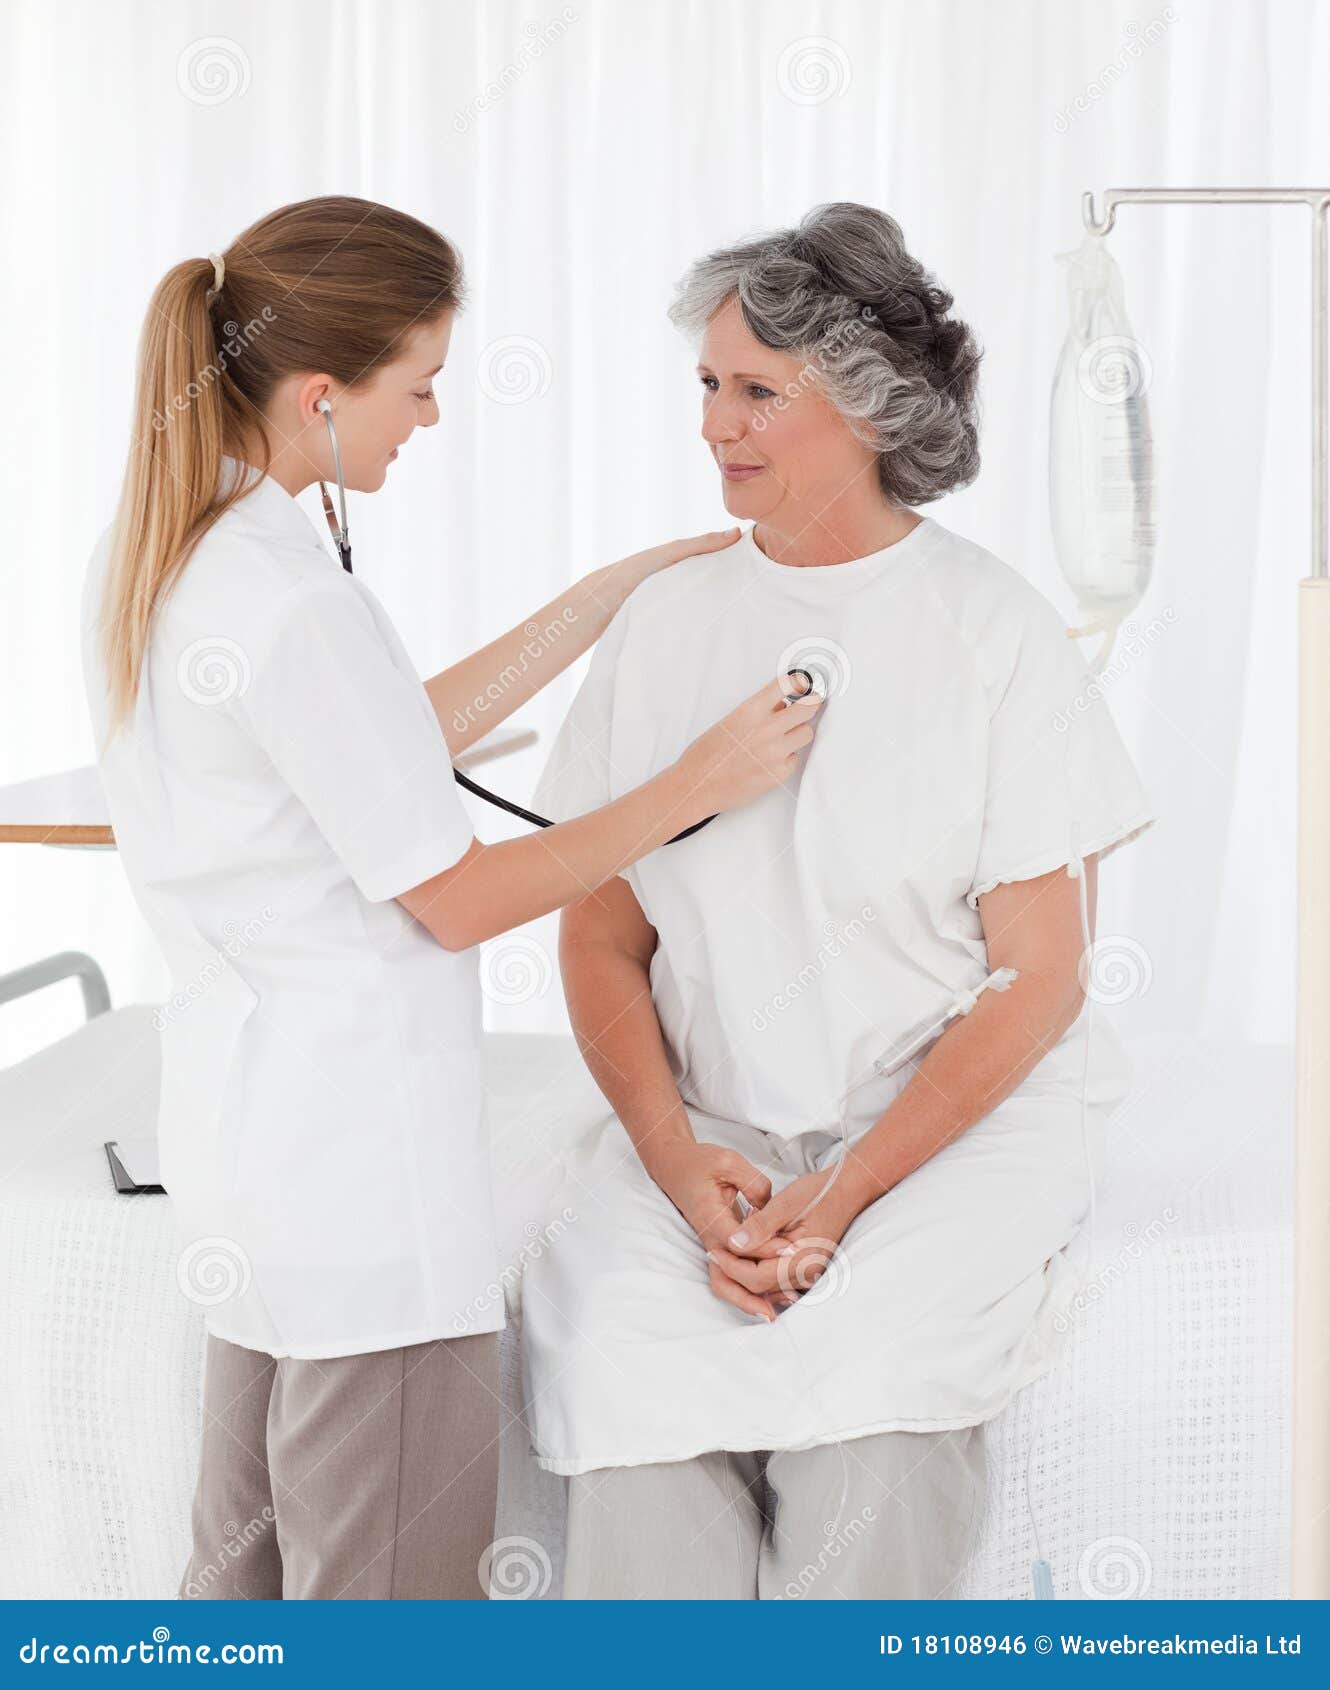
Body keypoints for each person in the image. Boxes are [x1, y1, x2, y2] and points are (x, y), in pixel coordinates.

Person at [79, 194, 824, 1601]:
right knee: (393, 1615)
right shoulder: (292, 602)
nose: (426, 419)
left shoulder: (175, 559)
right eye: (416, 388)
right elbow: (459, 898)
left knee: (233, 1598)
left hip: (253, 1167)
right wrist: (697, 777)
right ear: (319, 396)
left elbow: (366, 735)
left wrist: (591, 602)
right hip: (360, 1199)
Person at [520, 202, 1157, 1600]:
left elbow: (1038, 973)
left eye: (756, 391)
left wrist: (846, 1190)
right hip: (710, 1135)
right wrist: (683, 1164)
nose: (714, 426)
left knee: (873, 1385)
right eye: (706, 386)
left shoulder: (990, 632)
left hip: (937, 1136)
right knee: (628, 1376)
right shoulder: (667, 627)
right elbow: (598, 933)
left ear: (866, 405)